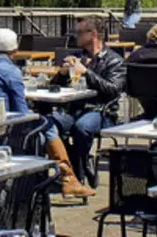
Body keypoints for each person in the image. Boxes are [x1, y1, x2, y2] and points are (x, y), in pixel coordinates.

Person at [0, 29, 92, 197]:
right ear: (15, 50)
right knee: (47, 124)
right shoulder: (10, 71)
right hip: (5, 130)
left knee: (45, 124)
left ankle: (66, 178)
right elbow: (22, 113)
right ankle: (68, 178)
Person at [50, 17, 125, 193]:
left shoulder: (115, 61)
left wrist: (86, 72)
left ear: (93, 35)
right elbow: (55, 86)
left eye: (79, 32)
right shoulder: (78, 57)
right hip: (74, 109)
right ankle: (78, 161)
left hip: (101, 111)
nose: (76, 36)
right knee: (48, 123)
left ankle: (79, 167)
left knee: (82, 127)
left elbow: (113, 89)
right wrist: (61, 73)